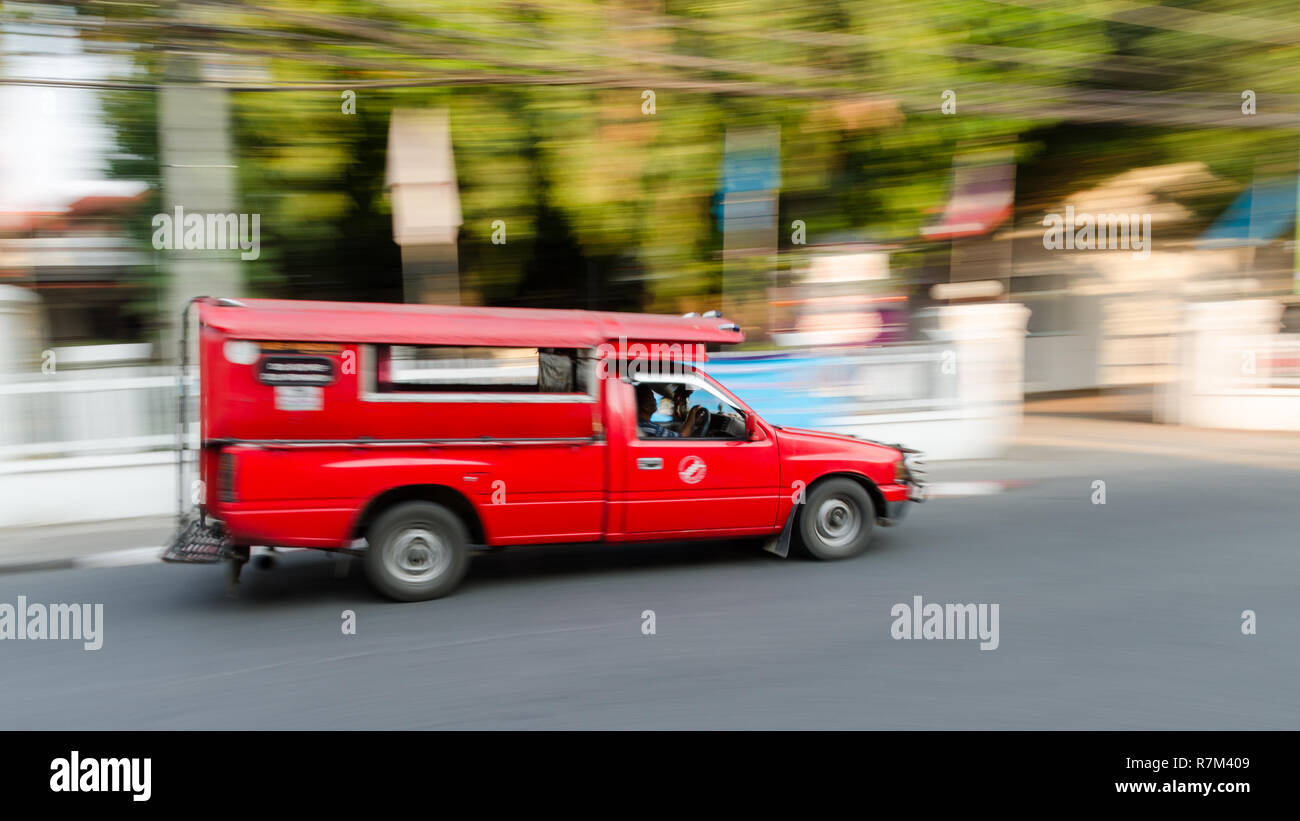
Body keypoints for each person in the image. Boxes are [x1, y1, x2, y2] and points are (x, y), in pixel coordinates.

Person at [636, 383, 703, 438]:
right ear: (645, 407)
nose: (655, 400)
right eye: (652, 397)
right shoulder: (652, 428)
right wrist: (693, 411)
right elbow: (683, 437)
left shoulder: (640, 424)